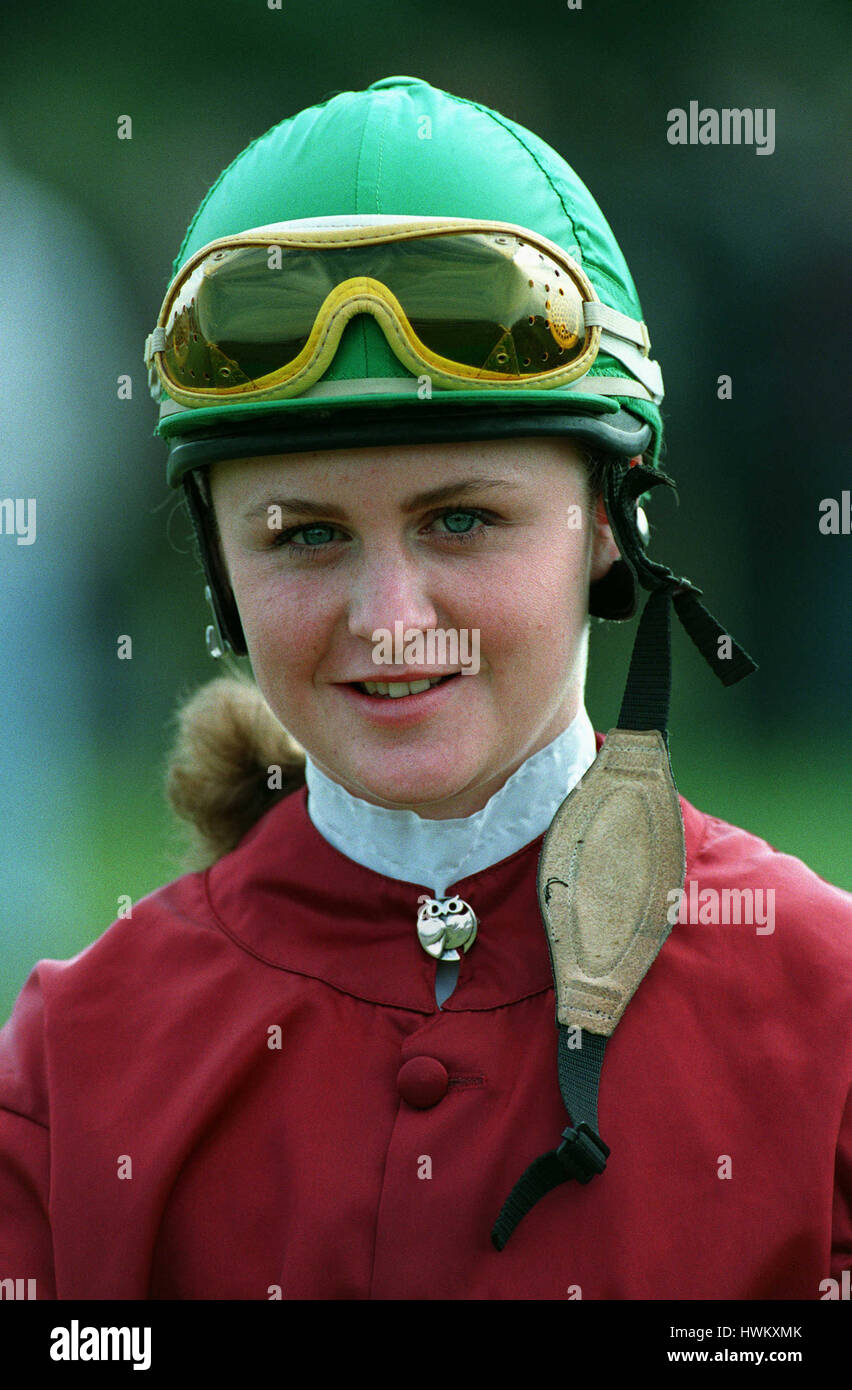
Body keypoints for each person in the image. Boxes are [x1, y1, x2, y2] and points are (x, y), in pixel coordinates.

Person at [0, 76, 849, 1302]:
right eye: (306, 536)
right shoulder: (72, 1067)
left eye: (462, 519)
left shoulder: (830, 1019)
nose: (391, 622)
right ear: (221, 565)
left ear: (611, 523)